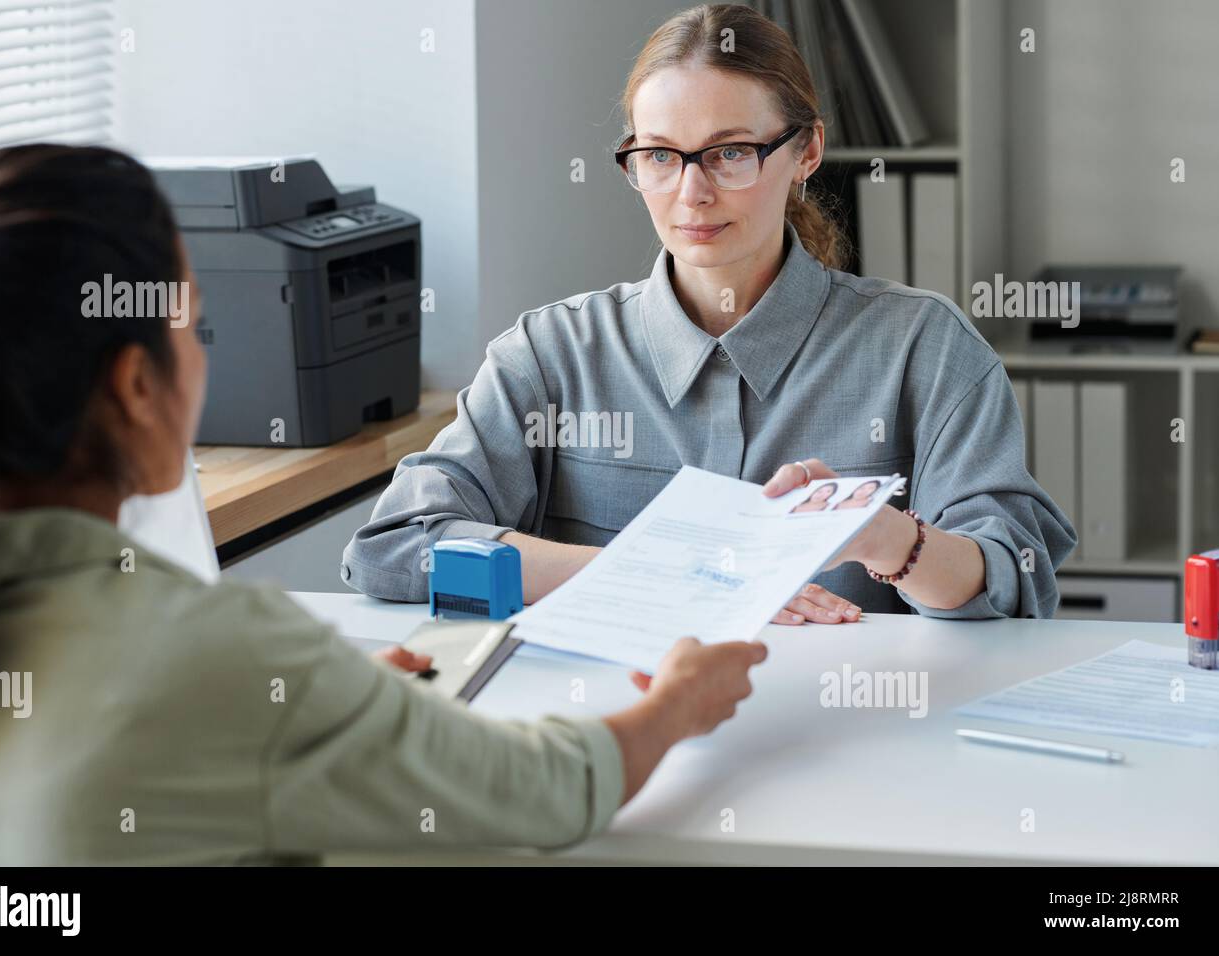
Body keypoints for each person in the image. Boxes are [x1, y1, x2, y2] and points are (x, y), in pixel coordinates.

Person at [0, 144, 766, 865]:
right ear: (137, 385)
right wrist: (676, 705)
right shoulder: (219, 652)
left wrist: (316, 703)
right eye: (196, 325)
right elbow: (547, 790)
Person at [344, 3, 1075, 625]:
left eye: (729, 153)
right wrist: (659, 577)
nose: (691, 193)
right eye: (660, 156)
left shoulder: (925, 346)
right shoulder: (548, 353)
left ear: (807, 151)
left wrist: (886, 540)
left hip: (846, 748)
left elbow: (1019, 580)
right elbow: (395, 549)